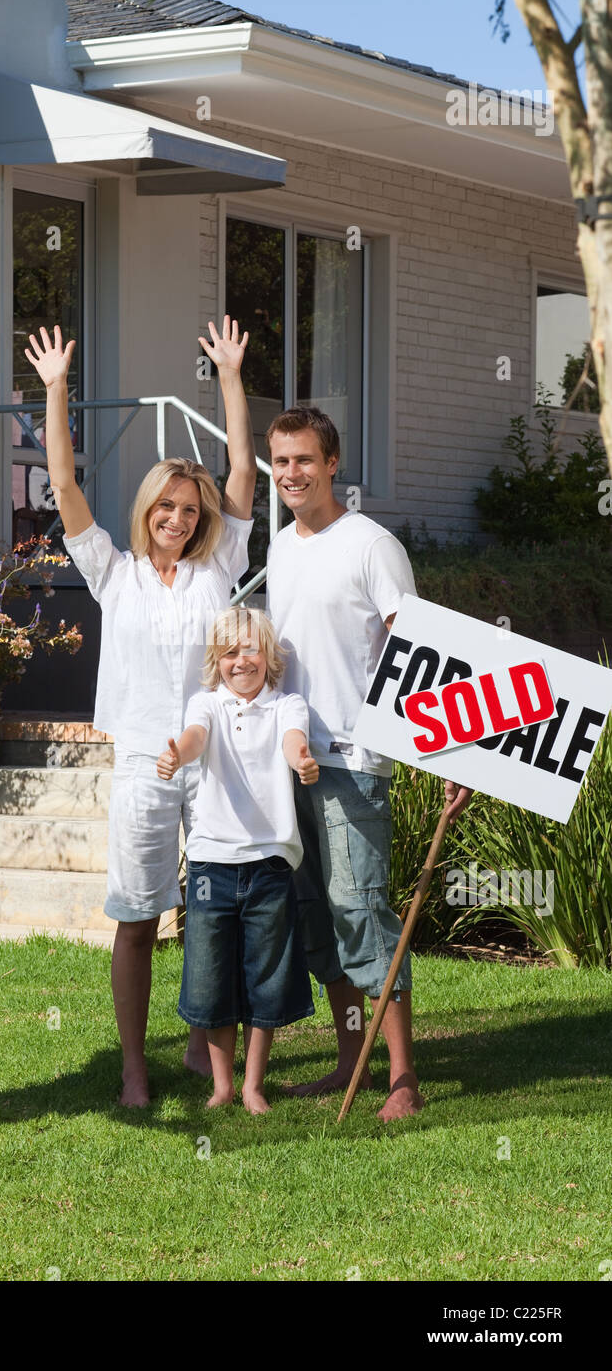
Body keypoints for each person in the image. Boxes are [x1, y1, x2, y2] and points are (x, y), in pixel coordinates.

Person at [24, 318, 256, 1107]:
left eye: (192, 511)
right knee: (137, 916)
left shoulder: (221, 565)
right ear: (149, 507)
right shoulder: (111, 573)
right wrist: (56, 389)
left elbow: (244, 470)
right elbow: (63, 487)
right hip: (138, 765)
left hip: (217, 756)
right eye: (169, 507)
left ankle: (199, 1049)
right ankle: (133, 1068)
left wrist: (229, 375)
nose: (180, 520)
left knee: (214, 909)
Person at [262, 406, 472, 1122]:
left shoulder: (370, 544)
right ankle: (349, 1060)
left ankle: (403, 1078)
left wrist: (449, 750)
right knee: (319, 918)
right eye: (280, 461)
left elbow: (416, 649)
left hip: (355, 760)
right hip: (292, 762)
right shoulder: (281, 548)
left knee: (365, 913)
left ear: (333, 463)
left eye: (304, 460)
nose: (291, 473)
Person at [157, 608, 318, 1114]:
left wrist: (302, 760)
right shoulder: (205, 704)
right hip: (211, 866)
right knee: (210, 977)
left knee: (265, 976)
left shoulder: (288, 705)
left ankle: (253, 1086)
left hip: (269, 865)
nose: (240, 661)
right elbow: (196, 737)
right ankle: (222, 1085)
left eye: (250, 649)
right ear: (216, 661)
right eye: (229, 652)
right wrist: (179, 754)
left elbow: (294, 741)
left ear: (268, 656)